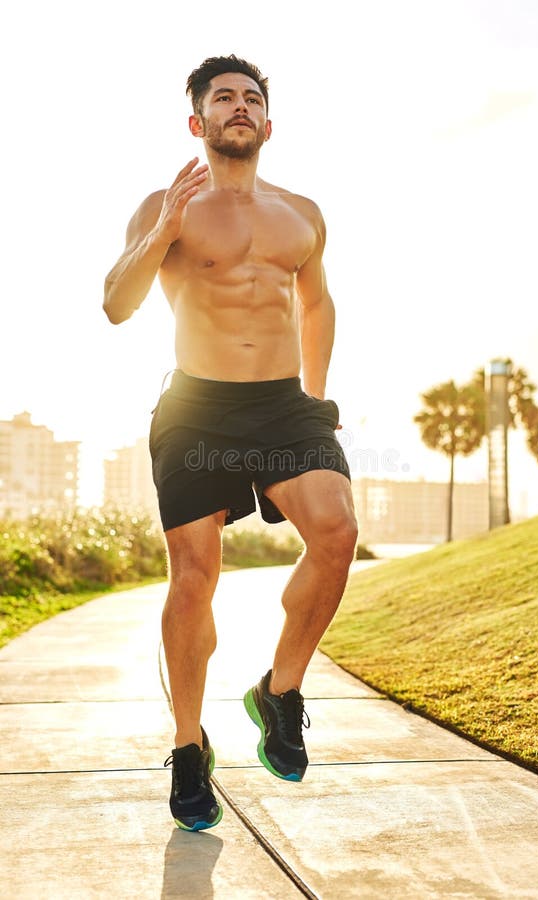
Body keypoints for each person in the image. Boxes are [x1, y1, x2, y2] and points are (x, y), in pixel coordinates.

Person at [103, 55, 358, 832]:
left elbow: (317, 305)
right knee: (195, 575)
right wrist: (162, 232)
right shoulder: (164, 204)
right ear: (199, 123)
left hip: (285, 408)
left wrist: (316, 399)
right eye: (224, 98)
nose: (239, 106)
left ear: (268, 124)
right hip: (197, 406)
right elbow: (117, 305)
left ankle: (279, 691)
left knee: (337, 531)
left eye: (252, 98)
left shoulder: (303, 213)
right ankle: (188, 749)